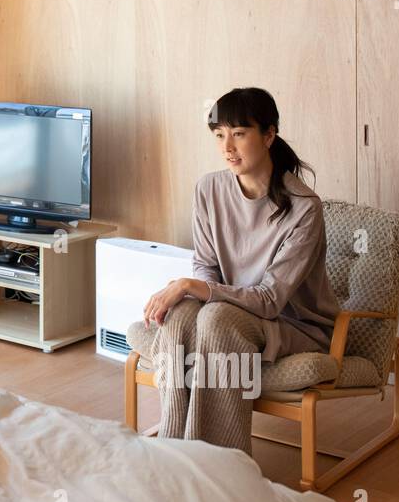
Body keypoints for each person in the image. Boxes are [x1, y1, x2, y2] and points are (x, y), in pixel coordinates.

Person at [131, 87, 340, 456]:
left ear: (269, 135)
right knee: (180, 315)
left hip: (295, 326)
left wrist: (191, 287)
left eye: (239, 134)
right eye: (219, 134)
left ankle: (221, 467)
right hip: (230, 311)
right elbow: (207, 267)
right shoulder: (208, 189)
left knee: (216, 319)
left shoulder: (305, 209)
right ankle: (174, 452)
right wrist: (192, 292)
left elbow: (272, 299)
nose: (228, 146)